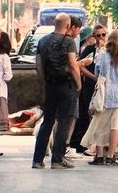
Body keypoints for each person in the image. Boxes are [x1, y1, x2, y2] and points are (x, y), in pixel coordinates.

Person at [32, 13, 81, 170]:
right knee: (64, 123)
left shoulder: (43, 41)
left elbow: (38, 65)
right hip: (66, 86)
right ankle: (57, 159)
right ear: (68, 26)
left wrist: (44, 81)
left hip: (50, 86)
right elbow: (73, 65)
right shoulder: (69, 42)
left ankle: (37, 160)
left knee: (48, 122)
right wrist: (78, 84)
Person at [83, 28, 118, 165]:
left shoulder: (102, 55)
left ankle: (99, 155)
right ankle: (110, 155)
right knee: (116, 126)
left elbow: (97, 73)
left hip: (103, 94)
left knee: (100, 124)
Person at [69, 23, 106, 154]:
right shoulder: (90, 49)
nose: (101, 37)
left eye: (103, 35)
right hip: (90, 85)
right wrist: (92, 77)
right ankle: (89, 143)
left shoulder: (109, 50)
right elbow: (80, 64)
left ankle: (97, 144)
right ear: (94, 37)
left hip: (104, 86)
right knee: (89, 112)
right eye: (98, 35)